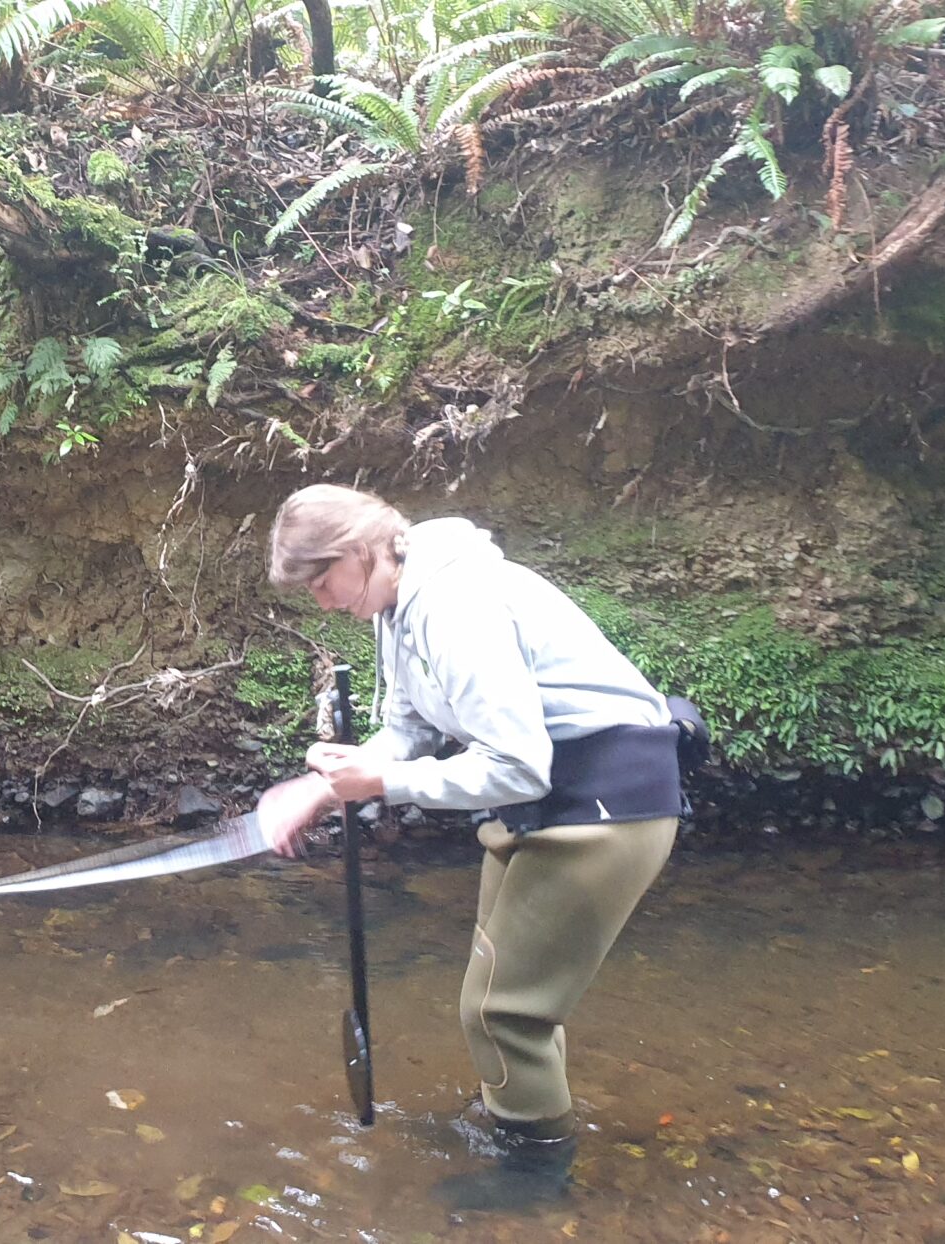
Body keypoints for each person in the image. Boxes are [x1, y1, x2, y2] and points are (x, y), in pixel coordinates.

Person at [251, 484, 682, 1213]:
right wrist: (323, 789)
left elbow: (518, 762)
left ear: (360, 551)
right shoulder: (397, 606)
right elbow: (409, 727)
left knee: (501, 1011)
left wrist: (381, 781)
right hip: (541, 807)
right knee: (504, 996)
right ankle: (511, 1118)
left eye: (323, 583)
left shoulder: (455, 605)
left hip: (601, 806)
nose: (322, 603)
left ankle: (536, 1174)